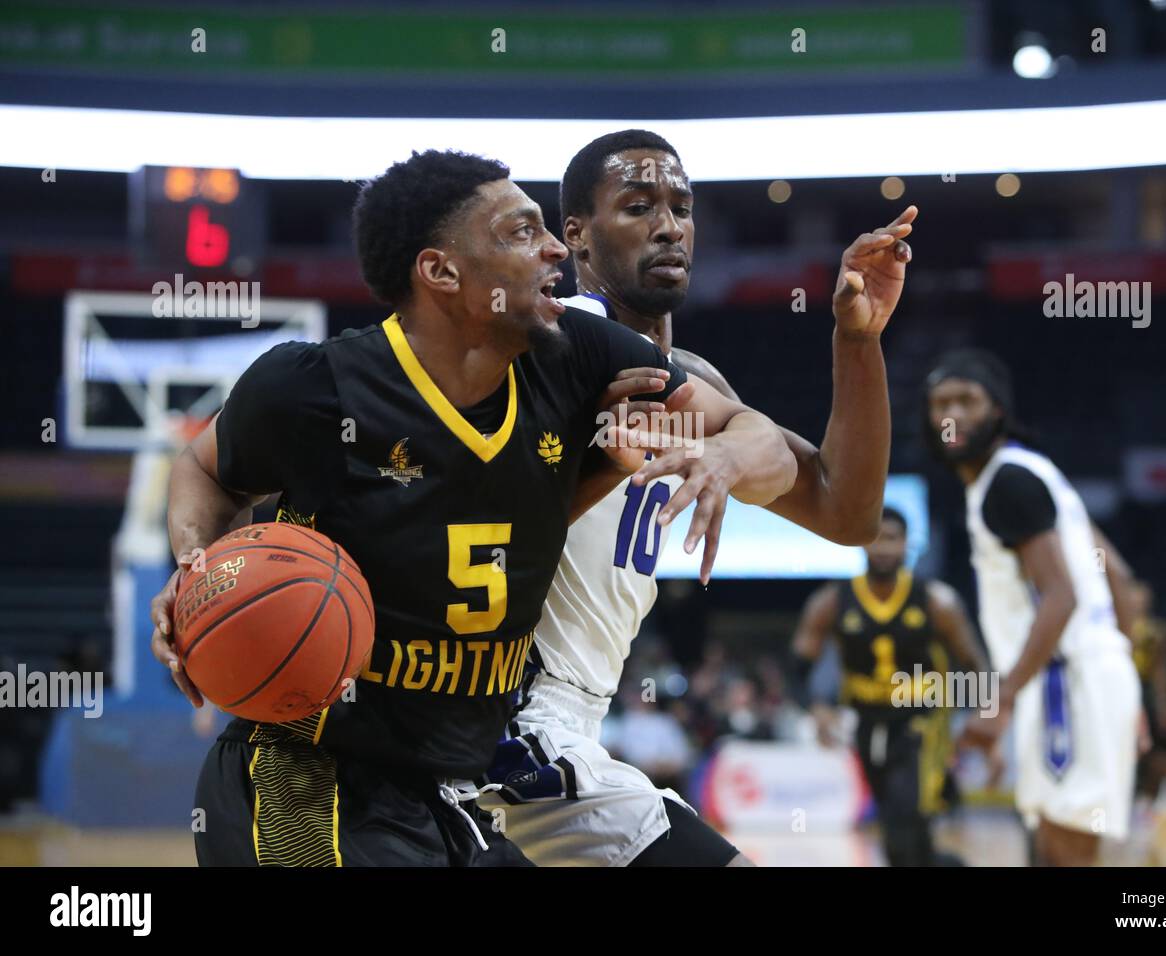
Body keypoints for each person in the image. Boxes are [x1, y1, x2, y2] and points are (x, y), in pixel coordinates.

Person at [149, 148, 795, 866]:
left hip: (444, 790)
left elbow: (759, 436)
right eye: (521, 233)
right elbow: (204, 468)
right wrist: (194, 566)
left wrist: (726, 454)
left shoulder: (577, 353)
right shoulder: (316, 388)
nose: (554, 248)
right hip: (310, 777)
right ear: (443, 273)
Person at [480, 129, 913, 866]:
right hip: (511, 711)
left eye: (682, 206)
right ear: (576, 236)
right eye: (638, 206)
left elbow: (846, 513)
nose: (669, 225)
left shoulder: (690, 377)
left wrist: (856, 342)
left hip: (573, 720)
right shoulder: (554, 345)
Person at [924, 348, 1141, 866]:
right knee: (1051, 850)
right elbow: (1122, 578)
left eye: (967, 400)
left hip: (1067, 681)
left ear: (997, 410)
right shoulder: (1035, 472)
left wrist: (1000, 702)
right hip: (1082, 677)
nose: (952, 414)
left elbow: (1061, 597)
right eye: (940, 403)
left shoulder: (1008, 483)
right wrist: (1125, 685)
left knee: (1065, 852)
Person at [792, 506, 988, 866]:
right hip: (866, 720)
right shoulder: (832, 601)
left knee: (905, 811)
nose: (883, 548)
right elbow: (798, 667)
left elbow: (974, 662)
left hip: (923, 719)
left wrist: (984, 716)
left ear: (907, 545)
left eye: (892, 539)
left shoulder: (936, 600)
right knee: (892, 817)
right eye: (876, 539)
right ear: (863, 544)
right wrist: (817, 707)